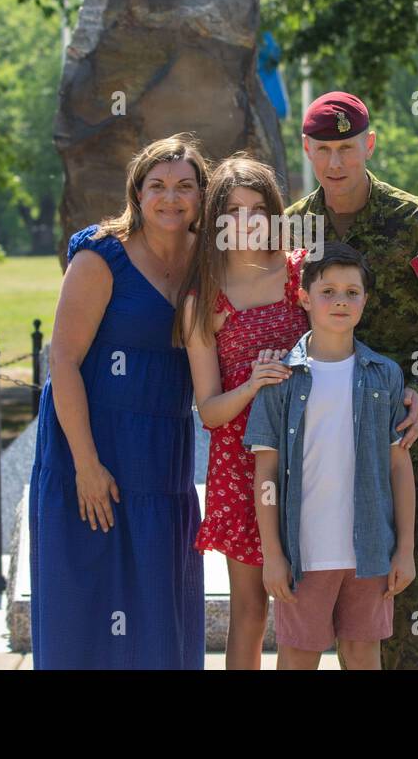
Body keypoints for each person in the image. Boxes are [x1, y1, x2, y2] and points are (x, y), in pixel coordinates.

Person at [285, 91, 418, 670]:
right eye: (323, 150)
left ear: (368, 145)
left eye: (347, 148)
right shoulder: (296, 230)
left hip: (413, 447)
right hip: (328, 460)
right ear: (306, 150)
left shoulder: (416, 225)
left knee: (414, 620)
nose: (335, 163)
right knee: (344, 627)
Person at [29, 134, 210, 669]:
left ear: (202, 195)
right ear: (137, 192)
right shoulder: (100, 256)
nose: (170, 198)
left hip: (162, 454)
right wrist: (86, 465)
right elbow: (61, 361)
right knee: (86, 605)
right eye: (157, 185)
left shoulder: (209, 260)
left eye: (184, 186)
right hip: (91, 446)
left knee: (159, 602)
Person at [243, 241, 416, 670]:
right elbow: (265, 474)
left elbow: (399, 466)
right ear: (304, 297)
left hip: (370, 552)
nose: (341, 301)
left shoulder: (385, 374)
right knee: (298, 657)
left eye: (352, 293)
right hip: (304, 553)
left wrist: (405, 549)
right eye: (328, 291)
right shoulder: (280, 378)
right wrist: (274, 555)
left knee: (362, 656)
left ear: (365, 301)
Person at [175, 154, 310, 669]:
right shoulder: (202, 300)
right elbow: (208, 411)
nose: (246, 221)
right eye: (232, 210)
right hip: (238, 467)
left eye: (258, 208)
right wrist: (253, 384)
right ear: (214, 219)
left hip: (308, 455)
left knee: (301, 607)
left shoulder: (301, 271)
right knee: (251, 610)